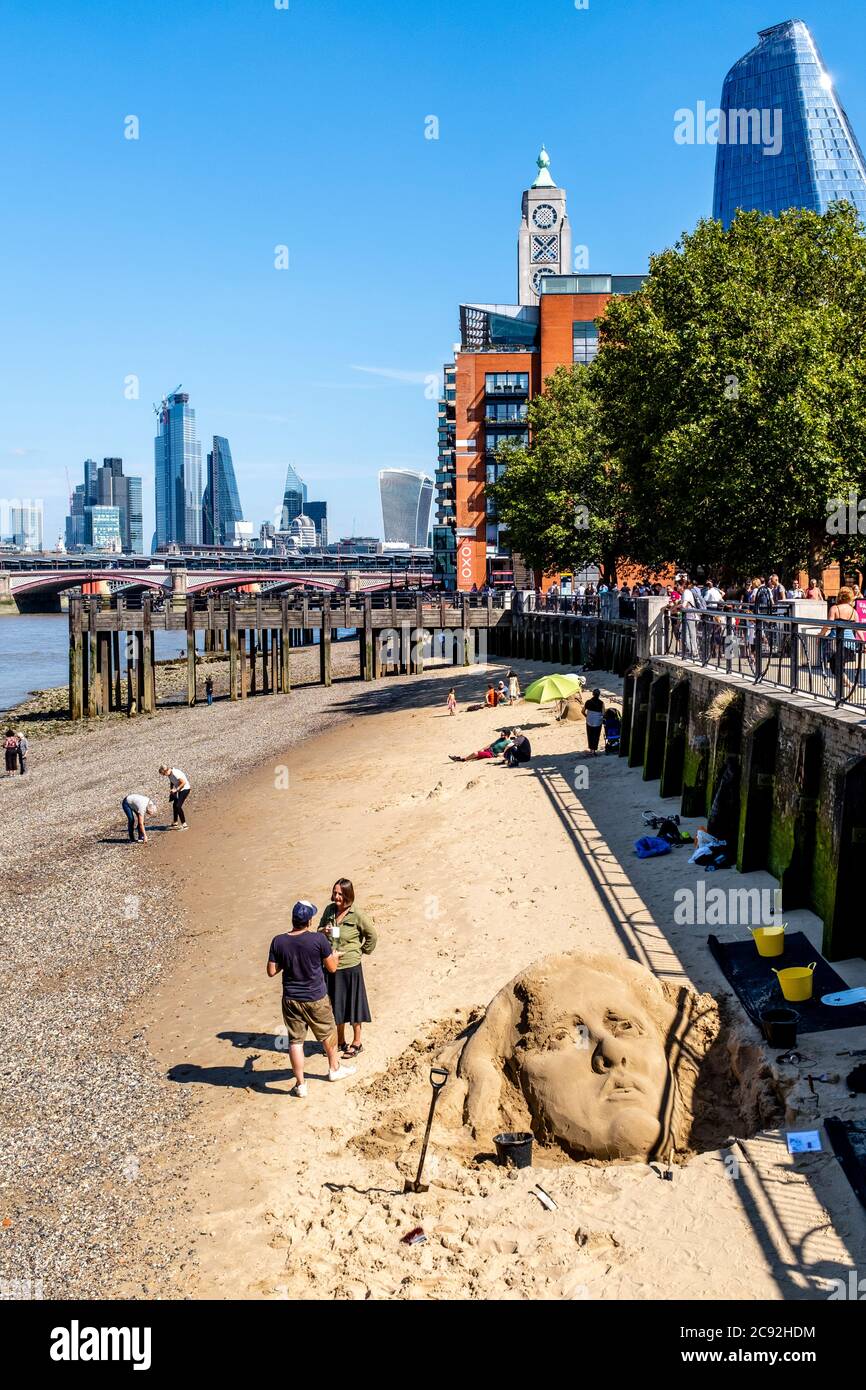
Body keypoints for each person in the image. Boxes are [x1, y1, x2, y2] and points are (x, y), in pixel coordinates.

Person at [267, 900, 355, 1097]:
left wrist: (287, 960)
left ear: (293, 919)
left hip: (291, 998)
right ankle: (334, 1068)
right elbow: (331, 968)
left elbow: (272, 971)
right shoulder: (318, 940)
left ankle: (301, 1085)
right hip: (315, 996)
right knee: (327, 1033)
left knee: (295, 1042)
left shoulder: (278, 941)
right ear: (309, 920)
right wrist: (336, 955)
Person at [318, 879, 377, 1058]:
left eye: (340, 894)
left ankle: (357, 1042)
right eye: (335, 893)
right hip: (331, 965)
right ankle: (341, 1041)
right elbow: (319, 929)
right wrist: (324, 931)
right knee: (336, 1005)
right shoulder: (329, 910)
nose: (336, 897)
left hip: (351, 965)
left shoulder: (356, 914)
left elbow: (372, 935)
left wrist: (361, 951)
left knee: (354, 1004)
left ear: (348, 895)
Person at [583, 688, 605, 755]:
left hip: (589, 721)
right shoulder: (601, 703)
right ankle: (594, 750)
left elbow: (582, 711)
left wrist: (586, 716)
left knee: (590, 735)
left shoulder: (588, 702)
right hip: (597, 722)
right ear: (599, 695)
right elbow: (603, 714)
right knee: (596, 736)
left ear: (592, 694)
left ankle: (591, 749)